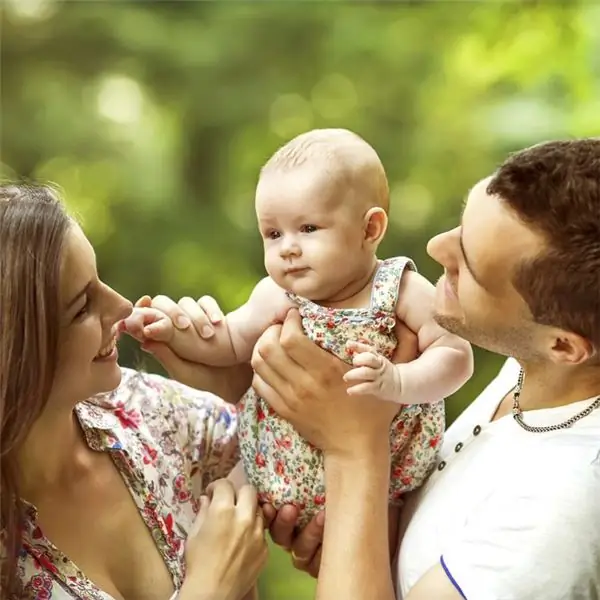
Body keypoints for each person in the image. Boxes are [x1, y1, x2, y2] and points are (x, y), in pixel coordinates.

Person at [145, 139, 600, 599]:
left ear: (563, 345)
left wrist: (353, 448)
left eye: (472, 263)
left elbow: (408, 400)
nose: (436, 248)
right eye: (460, 228)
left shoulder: (553, 514)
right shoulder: (530, 372)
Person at [124, 128, 473, 528]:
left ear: (370, 229)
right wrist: (170, 331)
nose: (288, 247)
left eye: (308, 229)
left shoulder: (399, 290)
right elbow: (227, 340)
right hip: (271, 471)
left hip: (384, 482)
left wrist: (398, 380)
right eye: (273, 234)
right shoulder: (277, 295)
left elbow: (455, 355)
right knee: (215, 510)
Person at [0, 183, 267, 600]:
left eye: (99, 278)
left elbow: (312, 441)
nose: (123, 306)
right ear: (16, 355)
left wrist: (241, 380)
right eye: (82, 306)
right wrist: (209, 589)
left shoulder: (144, 413)